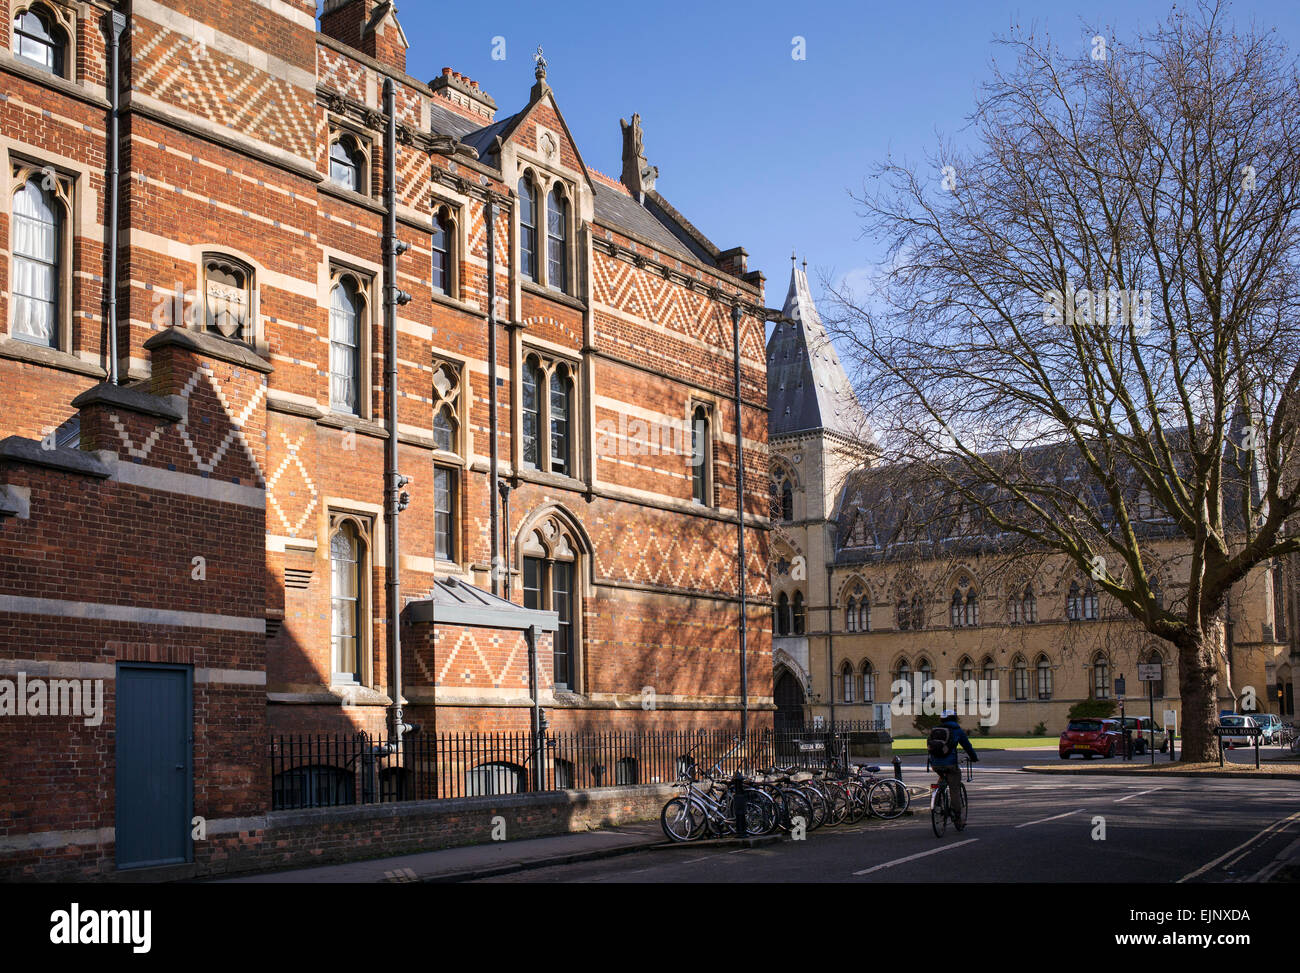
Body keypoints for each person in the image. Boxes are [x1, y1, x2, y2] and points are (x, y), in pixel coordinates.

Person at [927, 709, 978, 823]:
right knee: (954, 789)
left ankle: (937, 800)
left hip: (935, 764)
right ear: (954, 718)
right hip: (950, 764)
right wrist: (974, 757)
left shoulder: (935, 730)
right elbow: (967, 746)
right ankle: (958, 817)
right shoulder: (957, 730)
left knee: (941, 778)